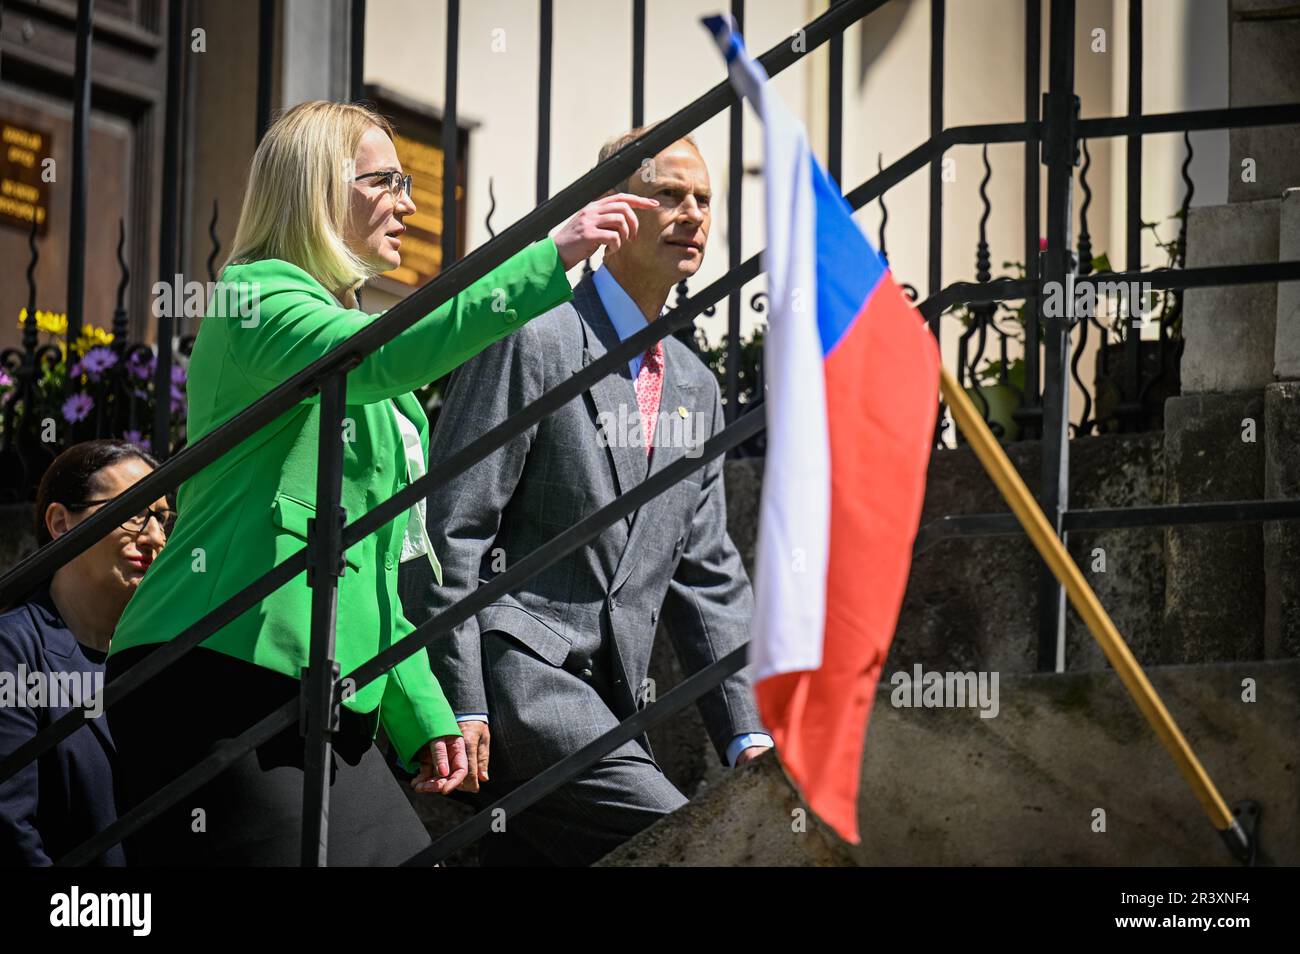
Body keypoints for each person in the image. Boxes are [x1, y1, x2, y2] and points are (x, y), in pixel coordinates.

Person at [106, 100, 653, 865]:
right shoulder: (253, 296)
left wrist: (424, 711)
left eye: (406, 180)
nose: (408, 200)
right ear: (318, 190)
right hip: (216, 670)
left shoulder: (372, 368)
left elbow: (372, 569)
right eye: (384, 180)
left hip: (327, 690)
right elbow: (376, 355)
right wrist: (544, 256)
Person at [400, 126, 772, 866]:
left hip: (613, 707)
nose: (693, 212)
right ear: (611, 210)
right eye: (669, 194)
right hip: (518, 682)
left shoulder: (695, 384)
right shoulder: (535, 335)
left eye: (704, 198)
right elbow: (453, 529)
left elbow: (707, 577)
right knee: (685, 844)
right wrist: (460, 701)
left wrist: (748, 734)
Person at [0, 440, 169, 865]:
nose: (154, 536)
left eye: (164, 519)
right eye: (133, 511)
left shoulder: (163, 656)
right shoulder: (14, 648)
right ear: (61, 523)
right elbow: (9, 827)